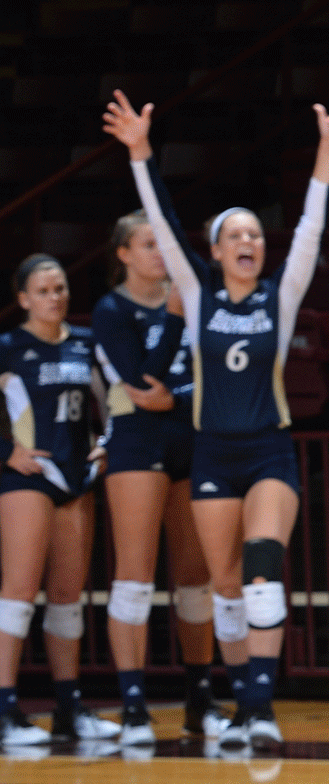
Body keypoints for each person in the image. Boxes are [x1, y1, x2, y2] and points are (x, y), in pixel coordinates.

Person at [103, 86, 329, 749]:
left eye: (254, 232)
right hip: (212, 453)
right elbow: (161, 222)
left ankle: (260, 706)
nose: (248, 239)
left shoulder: (279, 296)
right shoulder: (194, 293)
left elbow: (310, 228)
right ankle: (245, 702)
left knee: (261, 564)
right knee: (224, 585)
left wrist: (327, 152)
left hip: (269, 451)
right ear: (216, 251)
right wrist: (140, 154)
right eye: (235, 234)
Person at [91, 210, 229, 746]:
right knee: (134, 577)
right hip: (135, 442)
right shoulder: (111, 309)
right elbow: (145, 383)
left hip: (188, 440)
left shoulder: (192, 298)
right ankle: (132, 707)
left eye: (164, 244)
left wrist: (182, 394)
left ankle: (200, 699)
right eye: (149, 244)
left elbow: (201, 378)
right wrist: (172, 320)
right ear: (123, 253)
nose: (161, 254)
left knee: (195, 580)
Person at [0, 255, 120, 746]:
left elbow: (117, 398)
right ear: (24, 299)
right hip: (29, 475)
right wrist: (8, 452)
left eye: (61, 288)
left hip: (76, 476)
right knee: (20, 591)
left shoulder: (86, 344)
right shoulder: (9, 347)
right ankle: (6, 711)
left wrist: (108, 445)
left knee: (68, 598)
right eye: (44, 290)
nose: (55, 297)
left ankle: (68, 709)